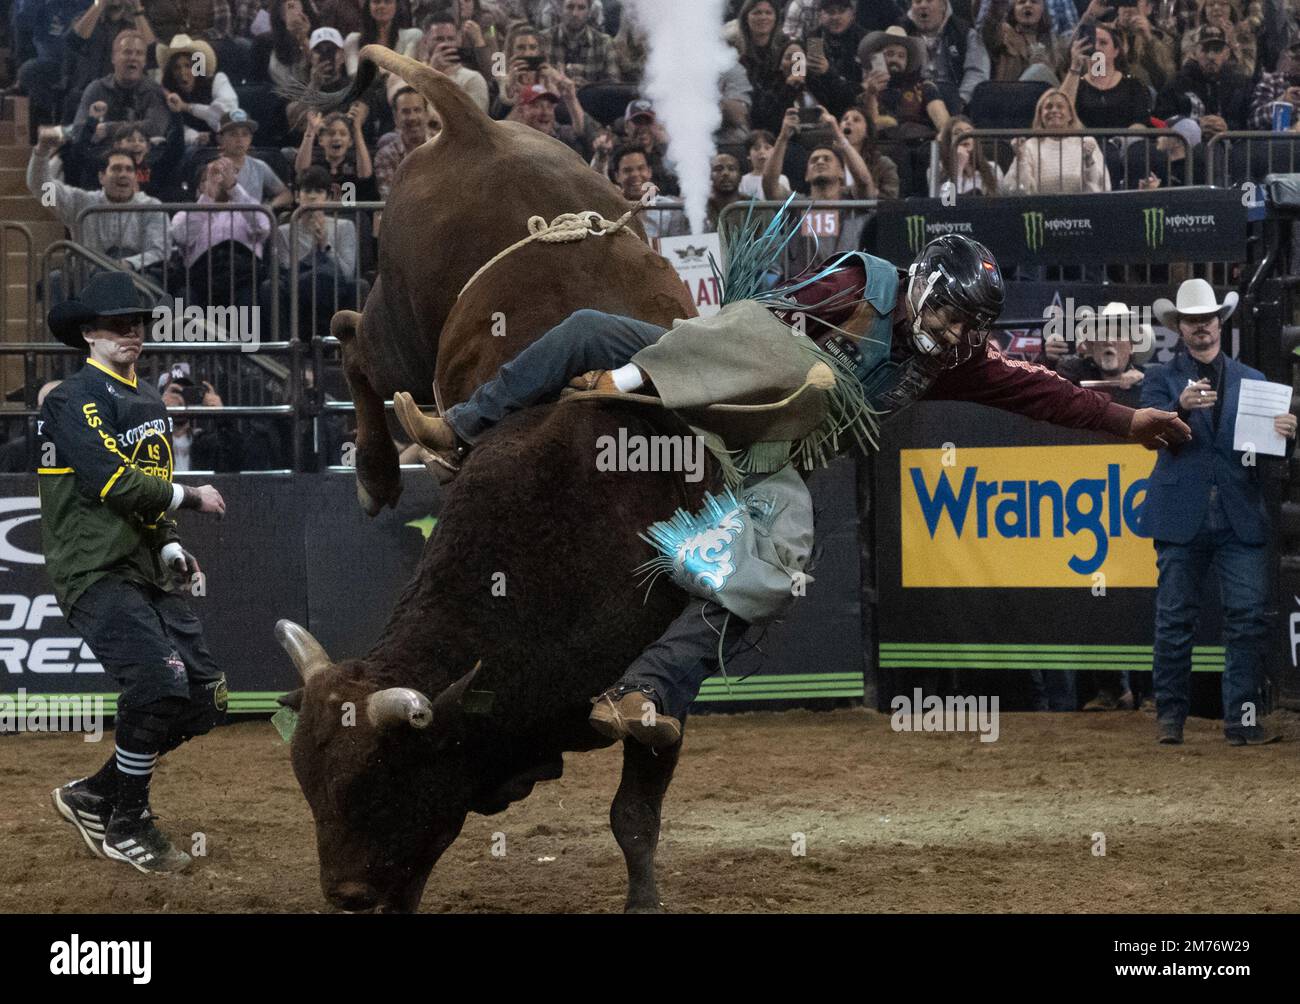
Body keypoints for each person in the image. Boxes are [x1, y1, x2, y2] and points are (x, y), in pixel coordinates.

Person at [390, 228, 1192, 747]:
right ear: (924, 287)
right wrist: (647, 371)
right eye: (952, 316)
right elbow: (752, 332)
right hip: (722, 375)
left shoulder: (953, 362)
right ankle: (460, 431)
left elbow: (1042, 390)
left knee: (779, 561)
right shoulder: (853, 285)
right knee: (586, 331)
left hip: (769, 456)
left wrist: (1126, 422)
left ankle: (647, 691)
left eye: (969, 328)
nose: (956, 337)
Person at [41, 270, 228, 873]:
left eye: (139, 323)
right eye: (119, 325)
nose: (133, 333)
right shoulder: (72, 399)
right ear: (88, 335)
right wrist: (188, 497)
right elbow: (112, 480)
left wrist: (170, 545)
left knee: (205, 697)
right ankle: (128, 822)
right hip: (94, 566)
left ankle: (96, 793)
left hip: (146, 567)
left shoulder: (149, 402)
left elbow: (144, 481)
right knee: (157, 684)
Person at [1141, 280, 1296, 744]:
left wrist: (1285, 436)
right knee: (1174, 620)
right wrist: (1179, 410)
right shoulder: (1161, 380)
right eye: (1192, 321)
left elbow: (1268, 460)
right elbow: (1149, 438)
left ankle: (1242, 722)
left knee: (1247, 619)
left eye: (1207, 320)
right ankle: (1169, 720)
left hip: (1237, 514)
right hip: (1186, 515)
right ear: (1181, 327)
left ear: (1218, 324)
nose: (1201, 328)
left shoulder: (1255, 382)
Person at [29, 128, 167, 281]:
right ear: (102, 177)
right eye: (116, 168)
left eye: (129, 170)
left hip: (137, 278)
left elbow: (159, 250)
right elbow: (41, 187)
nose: (123, 174)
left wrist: (127, 263)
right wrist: (42, 150)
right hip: (87, 278)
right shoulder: (81, 201)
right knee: (55, 280)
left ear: (135, 178)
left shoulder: (152, 206)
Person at [169, 156, 272, 307]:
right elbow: (181, 236)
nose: (218, 181)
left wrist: (234, 188)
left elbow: (262, 228)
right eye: (209, 178)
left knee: (250, 297)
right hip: (201, 281)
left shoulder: (251, 208)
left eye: (223, 176)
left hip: (242, 279)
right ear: (198, 188)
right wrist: (208, 197)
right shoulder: (185, 213)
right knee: (184, 296)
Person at [71, 30, 171, 160]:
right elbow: (78, 130)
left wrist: (108, 128)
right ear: (113, 58)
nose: (133, 57)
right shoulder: (96, 88)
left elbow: (155, 128)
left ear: (145, 61)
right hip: (101, 159)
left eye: (139, 53)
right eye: (127, 52)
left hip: (143, 160)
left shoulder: (155, 91)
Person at [1003, 88, 1109, 193]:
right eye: (1048, 107)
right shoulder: (1030, 145)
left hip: (1081, 207)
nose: (1054, 110)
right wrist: (1020, 158)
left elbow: (1103, 187)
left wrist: (1089, 161)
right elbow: (1017, 190)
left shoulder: (1086, 142)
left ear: (1070, 115)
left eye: (1060, 106)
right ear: (1040, 116)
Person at [1061, 21, 1152, 130]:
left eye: (1103, 43)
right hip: (1085, 143)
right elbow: (1060, 113)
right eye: (1092, 43)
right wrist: (1075, 67)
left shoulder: (1133, 85)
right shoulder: (1077, 85)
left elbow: (1140, 123)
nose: (1097, 48)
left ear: (1116, 51)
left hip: (1124, 143)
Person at [158, 33, 239, 149]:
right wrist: (196, 137)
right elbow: (171, 126)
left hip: (227, 145)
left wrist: (187, 107)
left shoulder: (218, 80)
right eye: (177, 67)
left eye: (188, 65)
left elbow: (226, 116)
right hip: (191, 149)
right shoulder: (168, 93)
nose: (182, 72)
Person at [215, 109, 292, 208]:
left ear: (251, 139)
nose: (240, 140)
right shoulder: (212, 168)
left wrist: (268, 207)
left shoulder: (260, 166)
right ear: (220, 139)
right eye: (233, 134)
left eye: (245, 134)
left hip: (254, 221)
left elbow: (286, 195)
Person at [611, 144, 687, 239]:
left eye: (641, 168)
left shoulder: (670, 209)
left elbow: (678, 243)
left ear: (649, 171)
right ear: (617, 176)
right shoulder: (610, 209)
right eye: (627, 170)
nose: (635, 174)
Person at [539, 0, 620, 86]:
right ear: (561, 9)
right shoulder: (543, 40)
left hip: (590, 98)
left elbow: (613, 86)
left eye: (581, 8)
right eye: (570, 7)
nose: (575, 14)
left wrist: (587, 88)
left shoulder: (604, 42)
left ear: (589, 12)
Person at [980, 0, 1062, 84]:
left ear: (1043, 9)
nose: (1027, 5)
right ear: (1013, 10)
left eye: (1034, 2)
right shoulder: (1004, 33)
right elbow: (990, 27)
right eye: (1021, 2)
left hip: (1046, 95)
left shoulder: (1054, 43)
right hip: (1010, 93)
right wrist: (998, 6)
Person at [374, 86, 432, 200]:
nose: (412, 117)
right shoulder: (385, 155)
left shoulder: (443, 148)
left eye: (417, 110)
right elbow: (390, 198)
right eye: (405, 111)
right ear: (396, 118)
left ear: (426, 114)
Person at [933, 113, 1001, 195]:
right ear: (949, 141)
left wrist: (1020, 159)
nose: (965, 136)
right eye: (957, 133)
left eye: (969, 132)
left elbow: (1009, 195)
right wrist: (958, 168)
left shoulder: (992, 168)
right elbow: (948, 203)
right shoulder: (937, 170)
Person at [705, 152, 744, 233]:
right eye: (718, 169)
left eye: (732, 168)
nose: (725, 173)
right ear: (709, 176)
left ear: (740, 176)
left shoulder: (756, 207)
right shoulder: (703, 209)